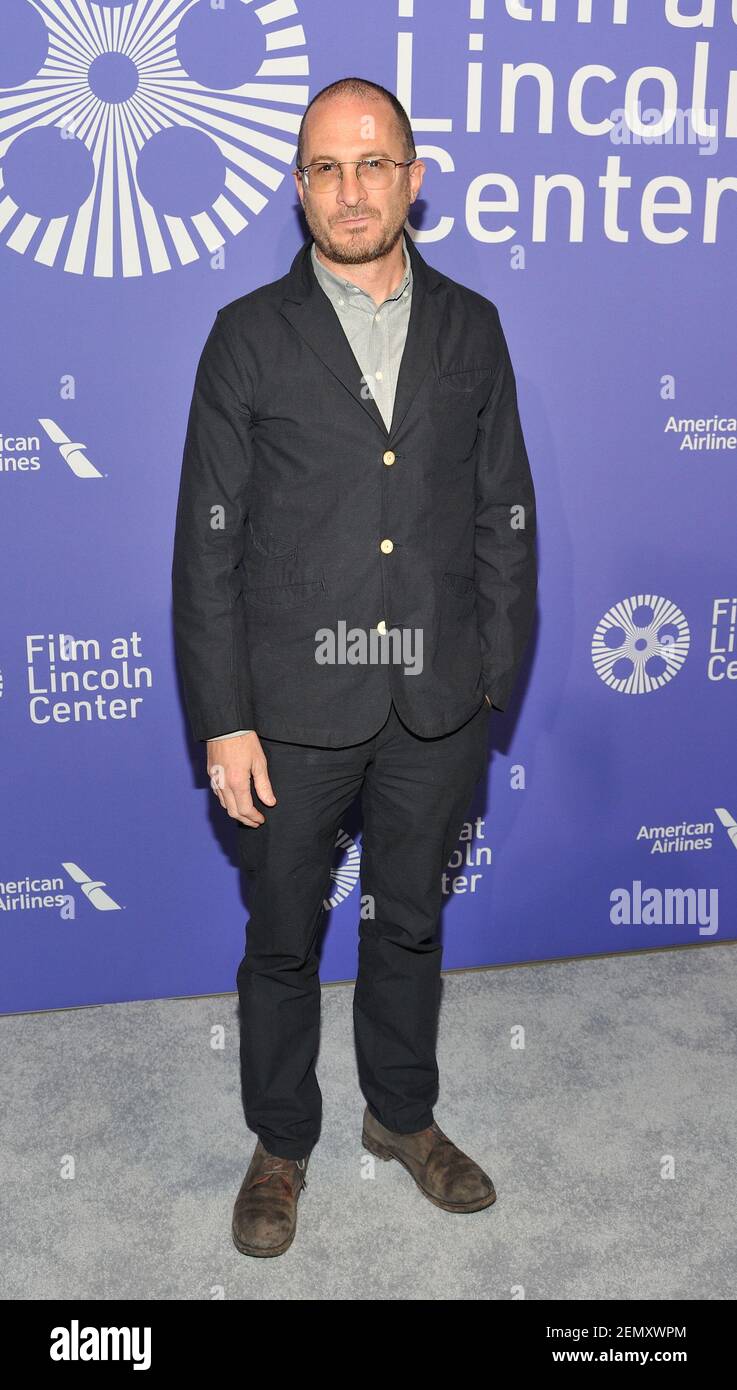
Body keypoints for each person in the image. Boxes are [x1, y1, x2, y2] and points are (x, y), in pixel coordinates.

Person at [172, 76, 537, 1259]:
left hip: (434, 702)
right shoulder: (246, 336)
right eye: (326, 168)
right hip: (291, 712)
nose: (350, 188)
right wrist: (224, 721)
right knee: (282, 934)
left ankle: (402, 1116)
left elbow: (502, 511)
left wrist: (492, 676)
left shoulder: (470, 325)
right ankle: (281, 1140)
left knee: (408, 925)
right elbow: (207, 544)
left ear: (412, 177)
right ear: (297, 187)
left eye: (372, 162)